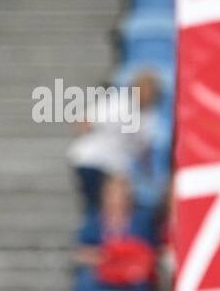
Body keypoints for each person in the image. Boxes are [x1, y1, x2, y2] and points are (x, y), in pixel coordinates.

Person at [67, 71, 160, 212]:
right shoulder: (118, 103)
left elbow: (144, 151)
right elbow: (83, 122)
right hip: (93, 161)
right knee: (98, 206)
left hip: (115, 167)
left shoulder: (149, 117)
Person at [73, 174, 157, 291]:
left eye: (121, 193)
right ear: (104, 195)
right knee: (86, 280)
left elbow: (148, 251)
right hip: (102, 273)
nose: (117, 198)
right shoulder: (93, 221)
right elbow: (81, 253)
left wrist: (121, 258)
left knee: (141, 279)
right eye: (113, 193)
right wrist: (107, 256)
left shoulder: (142, 220)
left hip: (131, 274)